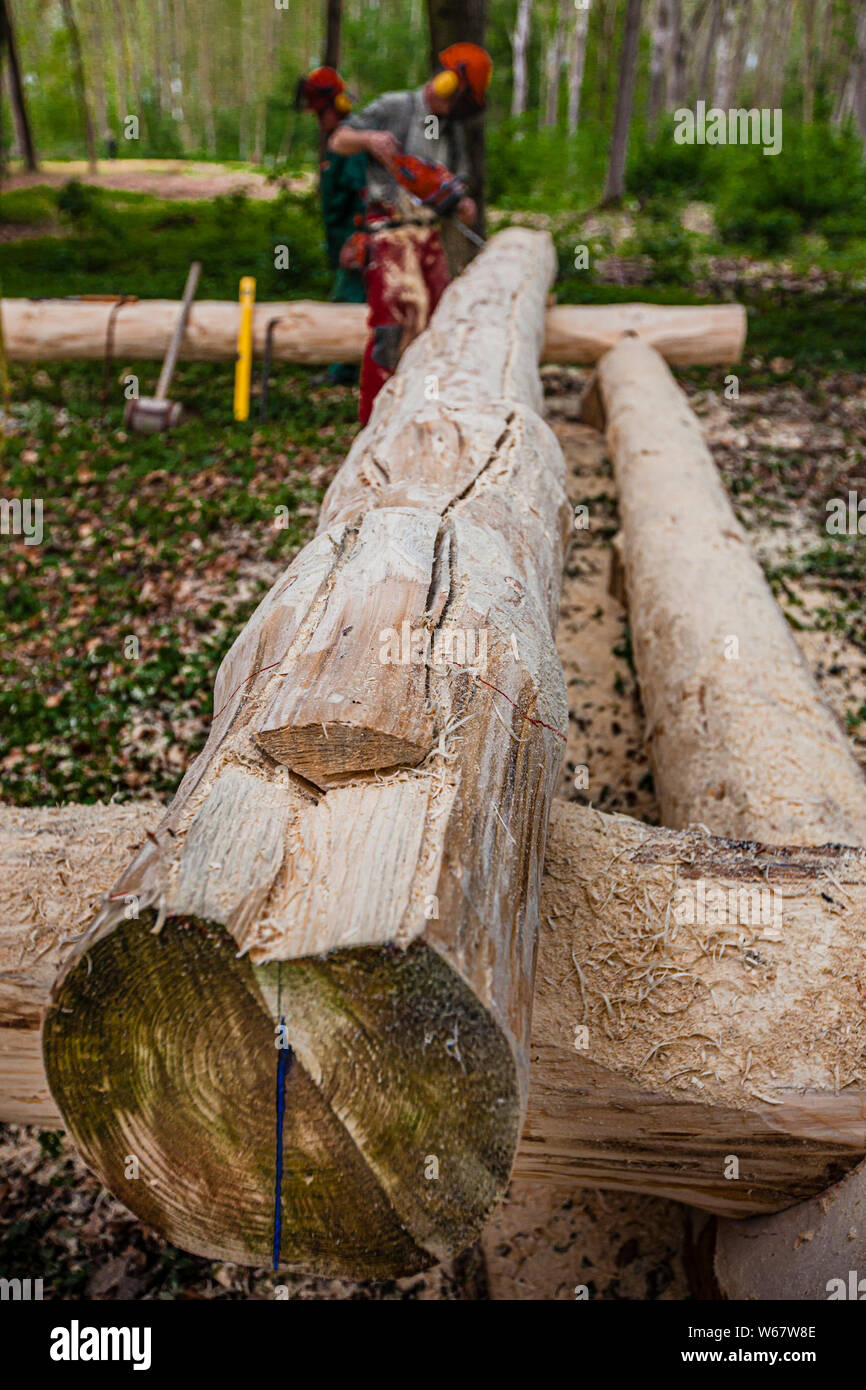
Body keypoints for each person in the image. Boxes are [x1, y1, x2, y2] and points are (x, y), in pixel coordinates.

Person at [328, 43, 492, 423]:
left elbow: (457, 185)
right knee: (394, 324)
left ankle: (424, 413)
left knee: (437, 323)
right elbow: (338, 140)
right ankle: (376, 423)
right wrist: (368, 140)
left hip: (427, 235)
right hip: (388, 232)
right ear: (450, 83)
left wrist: (461, 205)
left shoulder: (450, 130)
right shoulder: (394, 107)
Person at [296, 66, 367, 385]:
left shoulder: (349, 142)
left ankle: (344, 367)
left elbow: (361, 193)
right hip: (340, 234)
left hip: (353, 234)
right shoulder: (337, 140)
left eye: (319, 112)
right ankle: (348, 362)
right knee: (349, 294)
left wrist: (357, 236)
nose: (317, 119)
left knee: (350, 297)